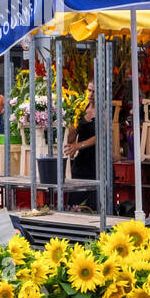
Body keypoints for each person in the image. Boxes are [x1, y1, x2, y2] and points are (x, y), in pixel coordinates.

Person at [65, 79, 97, 209]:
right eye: (89, 90)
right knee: (74, 199)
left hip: (97, 161)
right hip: (82, 161)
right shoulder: (81, 108)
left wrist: (78, 146)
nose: (91, 94)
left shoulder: (105, 110)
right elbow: (72, 136)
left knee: (94, 203)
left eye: (94, 91)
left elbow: (99, 136)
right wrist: (71, 125)